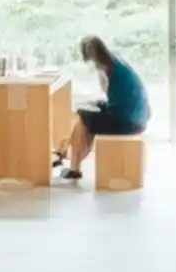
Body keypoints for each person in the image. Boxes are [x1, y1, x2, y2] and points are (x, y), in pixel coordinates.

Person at [59, 36, 150, 180]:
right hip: (137, 118)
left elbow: (114, 105)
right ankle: (73, 162)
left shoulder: (111, 69)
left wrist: (95, 107)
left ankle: (74, 166)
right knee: (88, 120)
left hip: (127, 122)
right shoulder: (118, 63)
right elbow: (117, 100)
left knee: (83, 119)